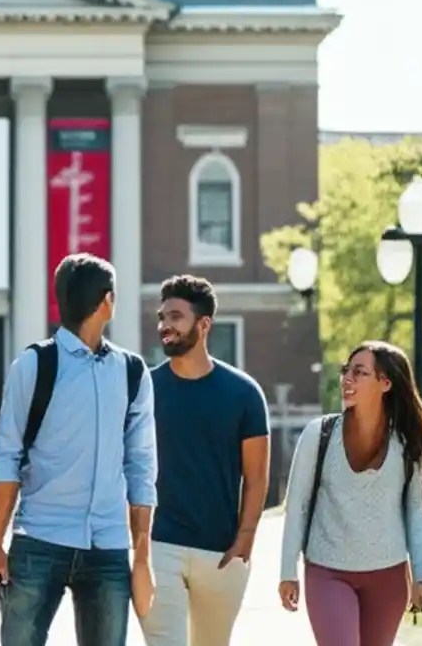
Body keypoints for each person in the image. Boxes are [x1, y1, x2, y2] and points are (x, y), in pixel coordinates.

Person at [0, 253, 157, 646]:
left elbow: (140, 465)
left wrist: (141, 558)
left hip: (108, 546)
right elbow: (7, 456)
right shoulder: (34, 365)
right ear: (108, 301)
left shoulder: (131, 372)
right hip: (39, 539)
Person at [278, 341, 422, 646]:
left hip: (388, 577)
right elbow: (297, 507)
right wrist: (286, 570)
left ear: (385, 383)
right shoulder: (318, 435)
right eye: (347, 370)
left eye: (359, 373)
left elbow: (415, 509)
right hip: (328, 572)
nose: (347, 379)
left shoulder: (408, 445)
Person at [139, 275, 270, 646]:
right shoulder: (145, 391)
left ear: (204, 324)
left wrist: (245, 539)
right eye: (162, 317)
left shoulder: (244, 393)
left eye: (176, 317)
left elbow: (257, 476)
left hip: (221, 553)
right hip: (159, 546)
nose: (165, 326)